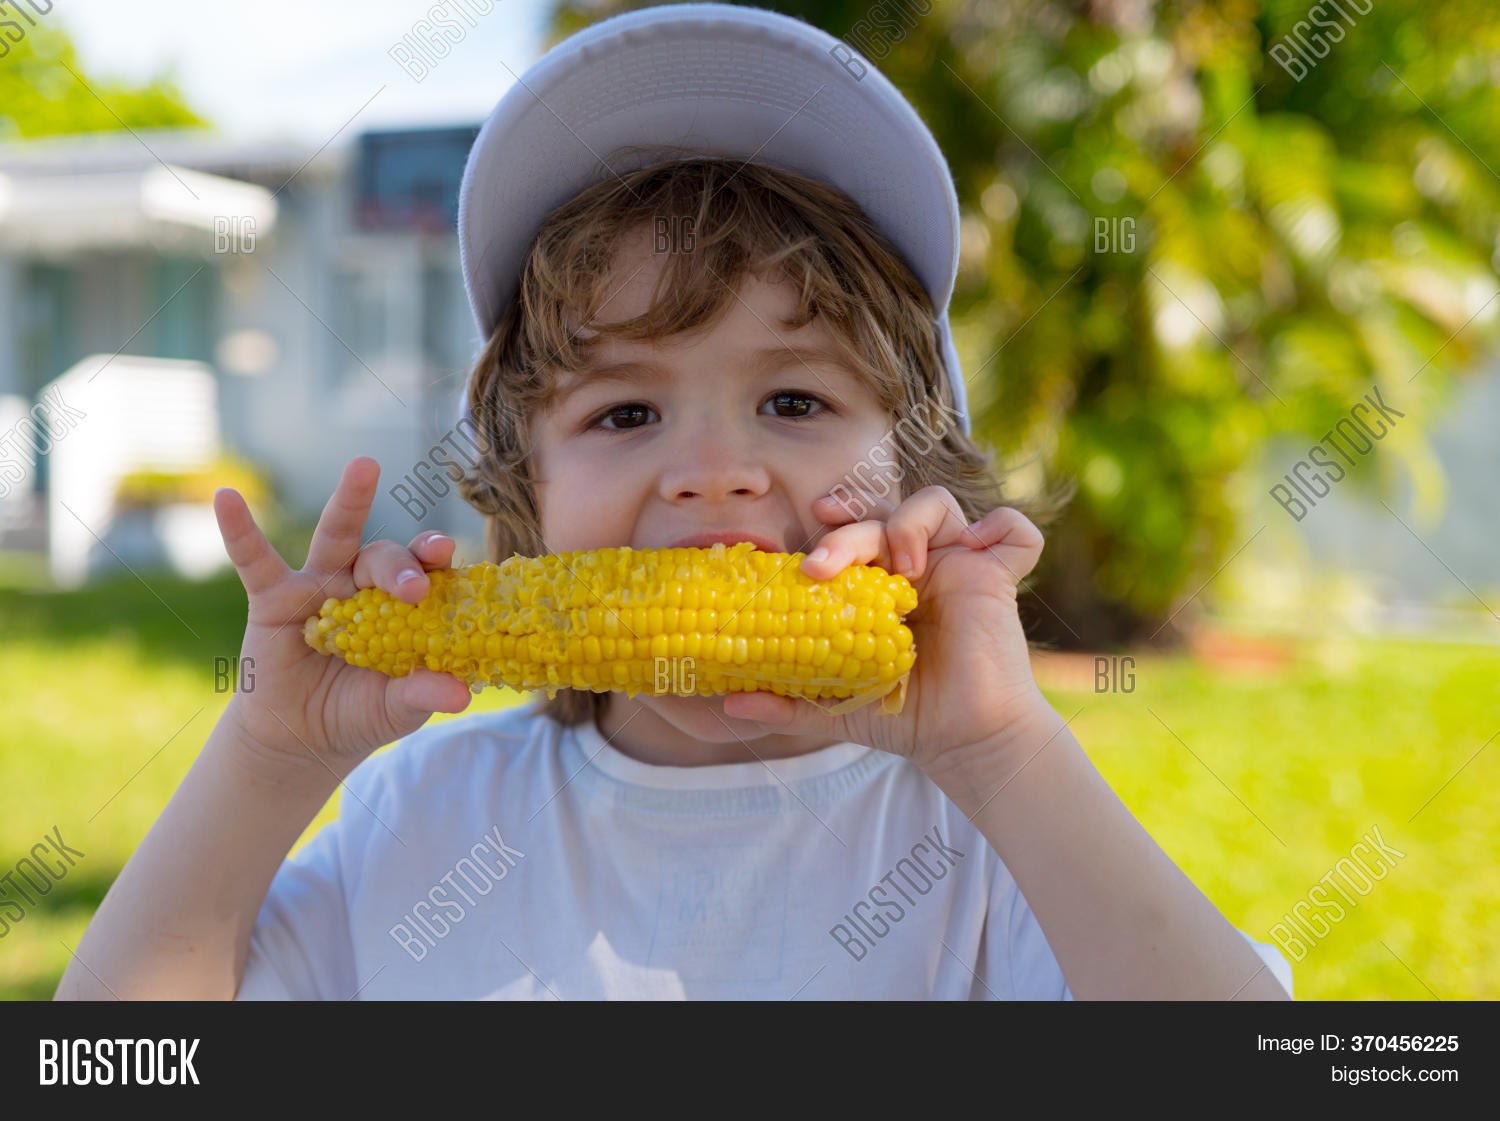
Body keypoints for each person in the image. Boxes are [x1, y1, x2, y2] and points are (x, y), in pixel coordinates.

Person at [57, 3, 1292, 1000]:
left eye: (796, 402)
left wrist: (1007, 749)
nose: (715, 471)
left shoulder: (985, 836)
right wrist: (267, 761)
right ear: (525, 491)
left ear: (920, 486)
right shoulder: (423, 818)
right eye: (626, 413)